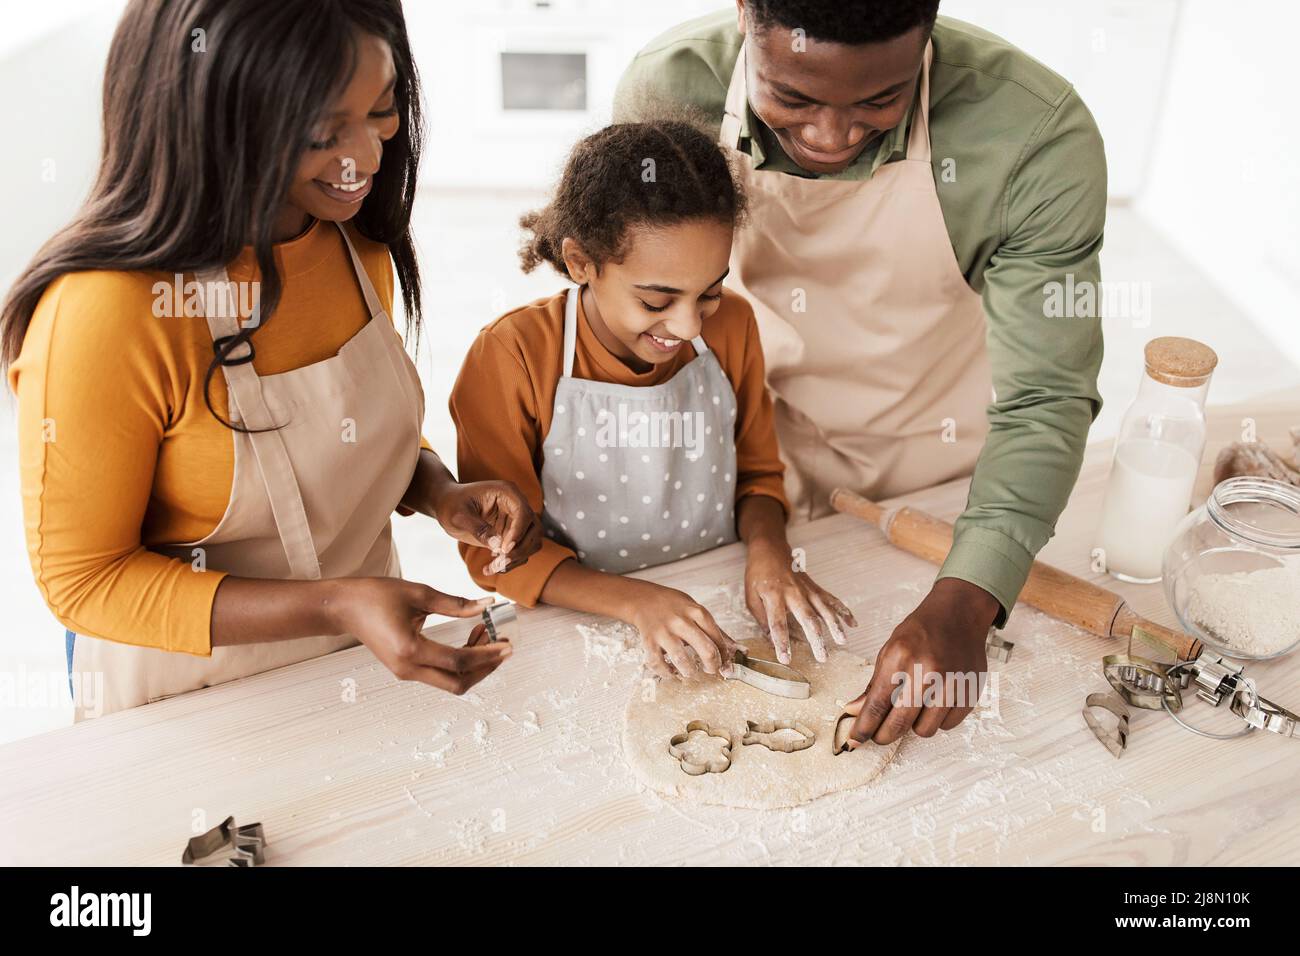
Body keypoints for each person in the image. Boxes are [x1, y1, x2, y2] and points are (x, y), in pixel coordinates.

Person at [3, 0, 540, 718]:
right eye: (323, 133)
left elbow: (338, 436)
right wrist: (337, 604)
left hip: (361, 666)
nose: (369, 159)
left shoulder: (353, 241)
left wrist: (436, 488)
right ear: (214, 122)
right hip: (189, 701)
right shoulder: (107, 312)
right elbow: (87, 582)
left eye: (382, 110)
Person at [614, 0, 1107, 742]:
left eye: (880, 100)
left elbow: (1046, 397)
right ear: (745, 13)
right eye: (793, 97)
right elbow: (634, 305)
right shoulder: (671, 89)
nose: (830, 136)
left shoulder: (1033, 136)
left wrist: (968, 598)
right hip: (744, 452)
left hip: (929, 467)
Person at [450, 119, 855, 678]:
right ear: (581, 262)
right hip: (581, 617)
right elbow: (494, 554)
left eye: (708, 292)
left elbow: (759, 476)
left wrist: (769, 554)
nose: (689, 325)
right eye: (656, 300)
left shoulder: (733, 324)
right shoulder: (512, 356)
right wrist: (638, 601)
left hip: (717, 588)